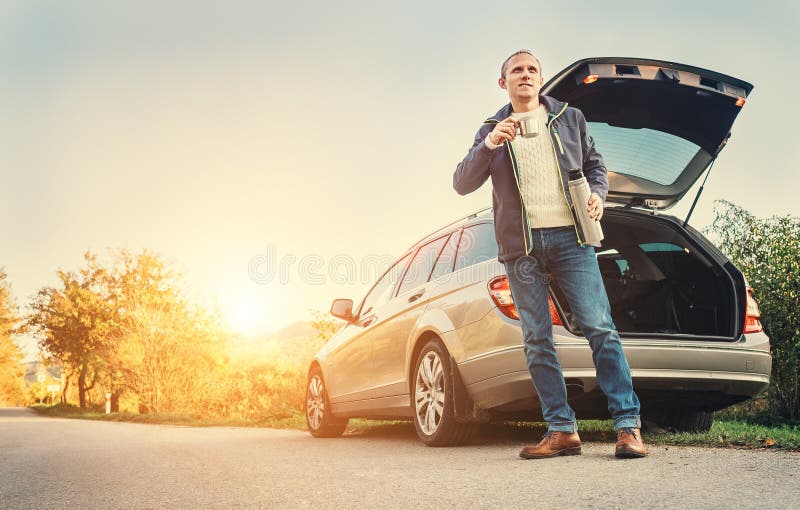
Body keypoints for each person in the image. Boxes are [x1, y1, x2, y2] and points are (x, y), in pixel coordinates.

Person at [453, 50, 647, 459]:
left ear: (540, 79)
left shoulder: (569, 119)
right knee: (537, 339)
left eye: (531, 69)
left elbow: (596, 166)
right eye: (515, 70)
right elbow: (462, 182)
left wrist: (598, 194)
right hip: (520, 247)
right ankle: (561, 430)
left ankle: (628, 428)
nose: (524, 75)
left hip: (571, 238)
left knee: (600, 328)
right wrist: (489, 144)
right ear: (502, 82)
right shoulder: (491, 129)